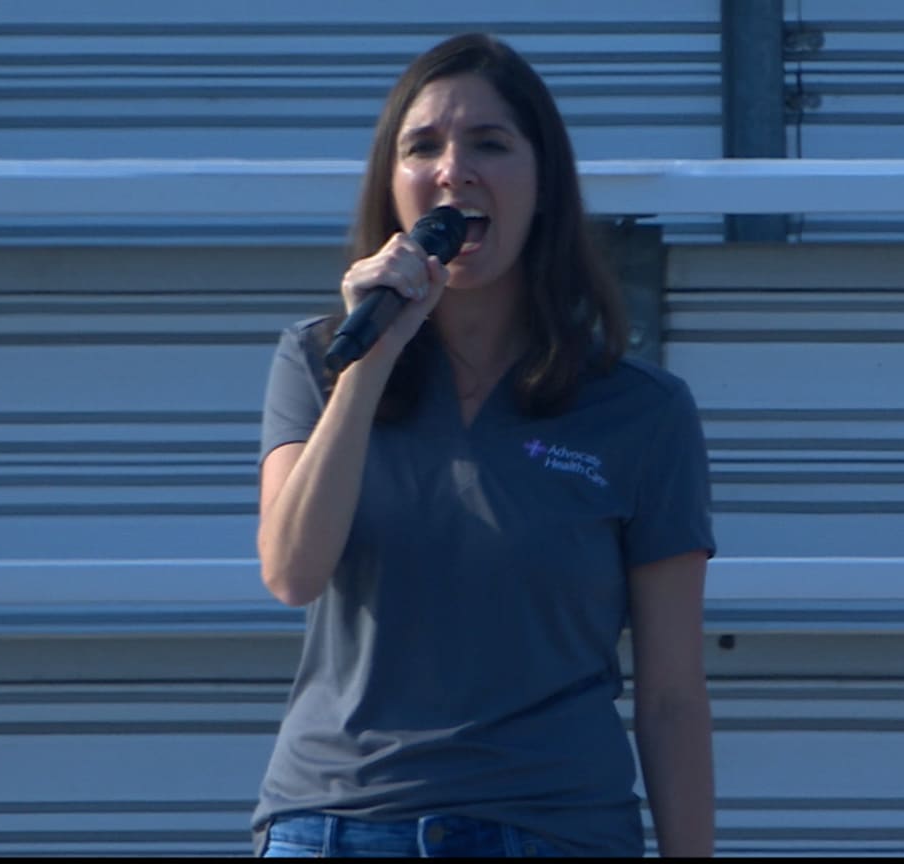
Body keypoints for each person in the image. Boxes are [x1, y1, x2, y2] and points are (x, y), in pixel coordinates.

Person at [252, 32, 716, 858]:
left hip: (552, 828)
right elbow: (292, 572)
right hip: (337, 825)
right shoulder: (319, 361)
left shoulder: (642, 412)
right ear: (391, 185)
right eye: (422, 147)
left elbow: (672, 697)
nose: (452, 171)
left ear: (544, 186)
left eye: (490, 144)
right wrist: (371, 361)